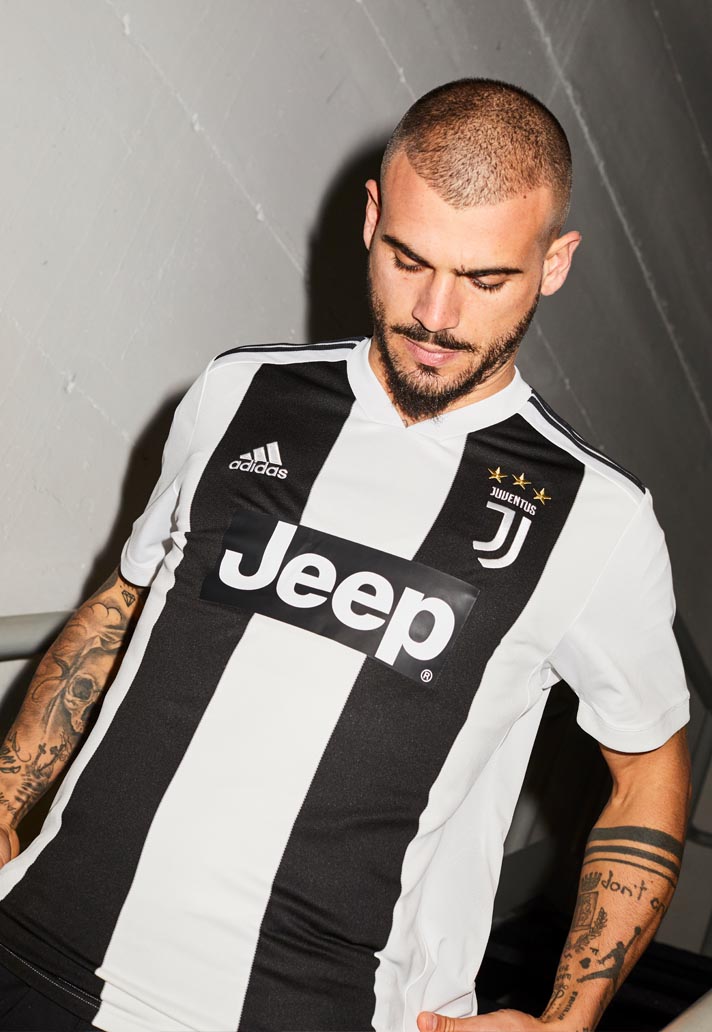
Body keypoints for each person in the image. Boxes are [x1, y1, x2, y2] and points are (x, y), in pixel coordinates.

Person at [0, 78, 690, 1032]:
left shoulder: (597, 518)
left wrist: (570, 1018)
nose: (436, 314)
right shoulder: (238, 393)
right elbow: (124, 606)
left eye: (486, 279)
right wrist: (5, 793)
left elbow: (649, 767)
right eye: (410, 259)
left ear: (554, 263)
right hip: (37, 953)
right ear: (372, 217)